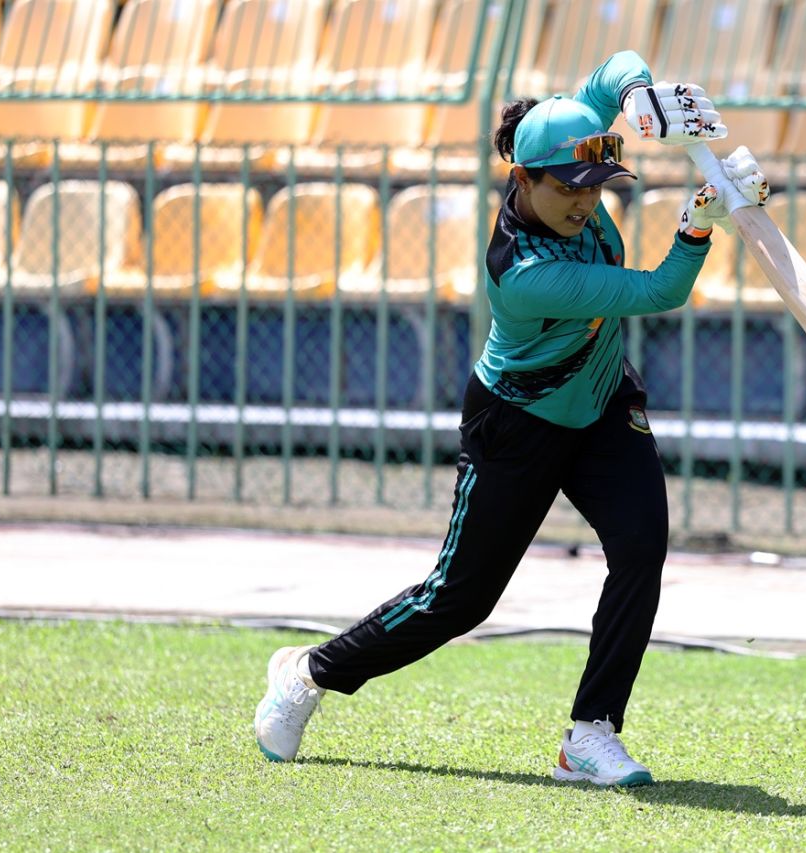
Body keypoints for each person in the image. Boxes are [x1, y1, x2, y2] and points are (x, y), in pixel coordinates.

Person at [253, 50, 770, 787]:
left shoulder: (572, 134)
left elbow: (615, 64)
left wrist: (638, 95)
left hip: (600, 404)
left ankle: (590, 733)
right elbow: (657, 291)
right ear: (522, 178)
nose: (586, 202)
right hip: (517, 423)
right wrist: (697, 227)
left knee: (640, 546)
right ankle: (310, 672)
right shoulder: (528, 274)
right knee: (460, 598)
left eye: (597, 186)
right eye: (569, 189)